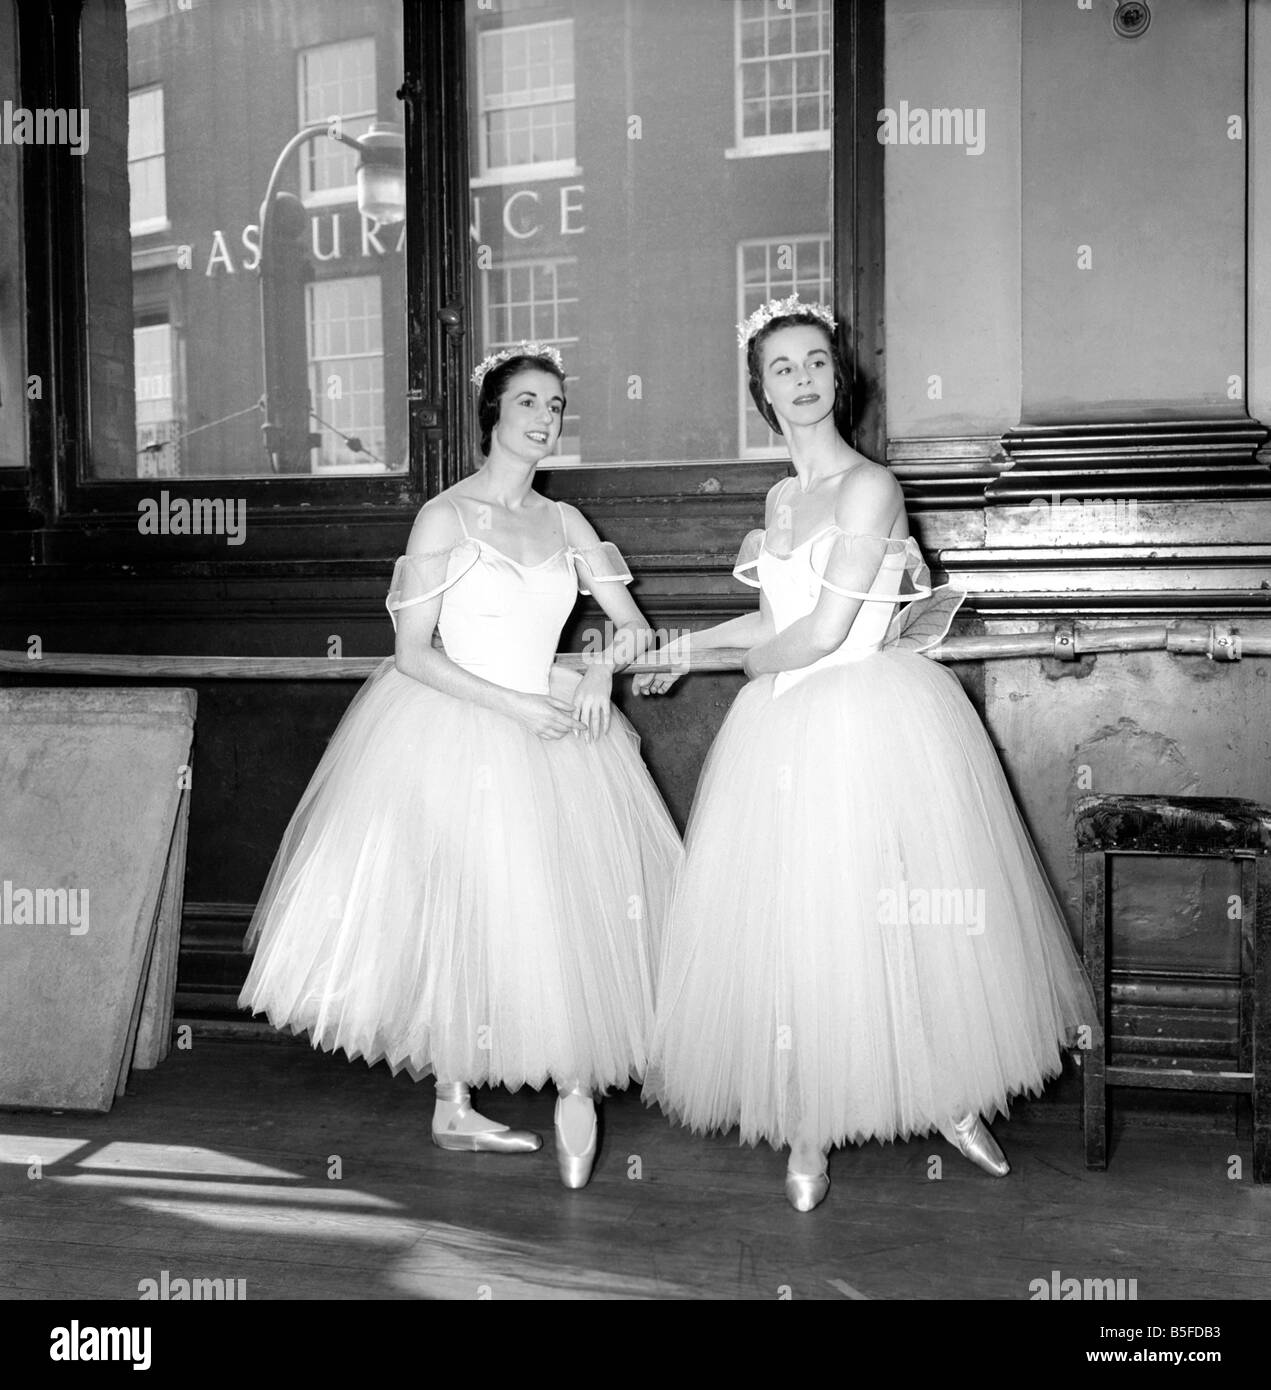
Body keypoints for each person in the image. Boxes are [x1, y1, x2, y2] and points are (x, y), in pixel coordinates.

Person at [637, 297, 1098, 1212]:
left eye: (815, 362)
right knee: (801, 922)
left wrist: (739, 667)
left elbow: (822, 632)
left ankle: (949, 1094)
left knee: (907, 915)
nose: (802, 379)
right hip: (784, 727)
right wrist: (679, 649)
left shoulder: (869, 486)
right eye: (782, 369)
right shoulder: (778, 499)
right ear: (760, 393)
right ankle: (808, 1123)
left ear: (837, 376)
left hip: (865, 718)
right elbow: (773, 619)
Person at [240, 342, 681, 1189]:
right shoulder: (445, 517)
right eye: (528, 403)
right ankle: (452, 1101)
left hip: (557, 723)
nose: (545, 418)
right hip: (460, 724)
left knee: (566, 912)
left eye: (555, 406)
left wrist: (595, 668)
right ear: (493, 417)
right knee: (463, 910)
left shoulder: (567, 524)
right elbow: (409, 653)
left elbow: (633, 628)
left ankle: (576, 1086)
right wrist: (517, 708)